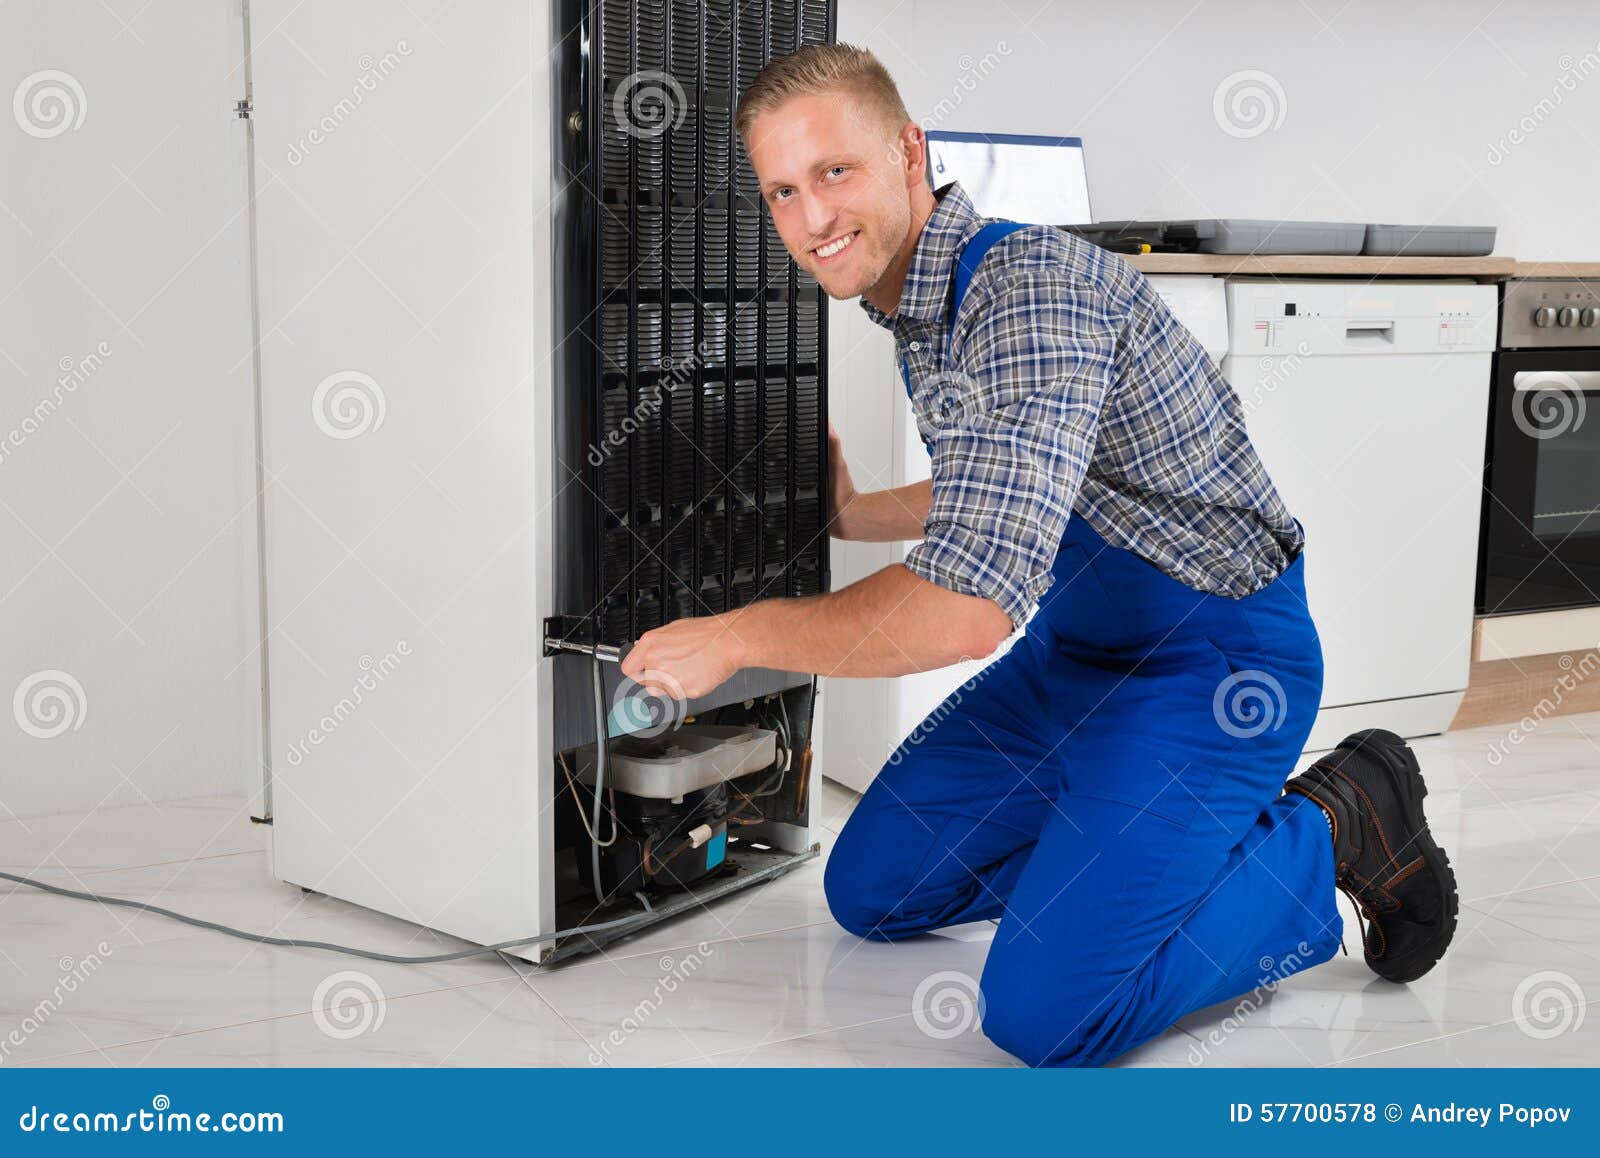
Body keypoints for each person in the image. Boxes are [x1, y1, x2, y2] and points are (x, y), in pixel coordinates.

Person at [620, 42, 1457, 1067]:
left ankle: (1332, 825)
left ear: (906, 151)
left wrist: (741, 637)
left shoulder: (1023, 294)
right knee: (873, 891)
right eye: (782, 191)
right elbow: (1017, 482)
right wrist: (854, 514)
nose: (812, 219)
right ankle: (1120, 841)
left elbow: (967, 608)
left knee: (1049, 1016)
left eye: (833, 173)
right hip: (1076, 665)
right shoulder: (917, 303)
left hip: (1214, 666)